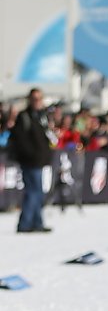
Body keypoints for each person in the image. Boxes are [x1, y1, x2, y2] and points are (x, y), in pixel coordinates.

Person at [9, 88, 54, 233]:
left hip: (40, 160)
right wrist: (31, 154)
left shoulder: (42, 117)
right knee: (32, 192)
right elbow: (20, 139)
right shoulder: (24, 116)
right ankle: (25, 223)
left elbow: (45, 137)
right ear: (29, 100)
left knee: (38, 192)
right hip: (29, 161)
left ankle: (37, 222)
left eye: (39, 99)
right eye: (34, 99)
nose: (37, 102)